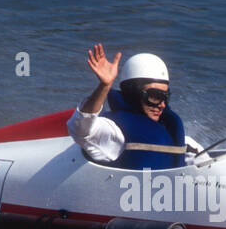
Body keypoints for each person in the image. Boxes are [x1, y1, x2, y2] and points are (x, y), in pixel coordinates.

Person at [67, 44, 201, 168]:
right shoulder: (114, 133)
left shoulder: (178, 137)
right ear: (133, 94)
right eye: (155, 96)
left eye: (165, 96)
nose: (162, 105)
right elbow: (81, 129)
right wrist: (104, 86)